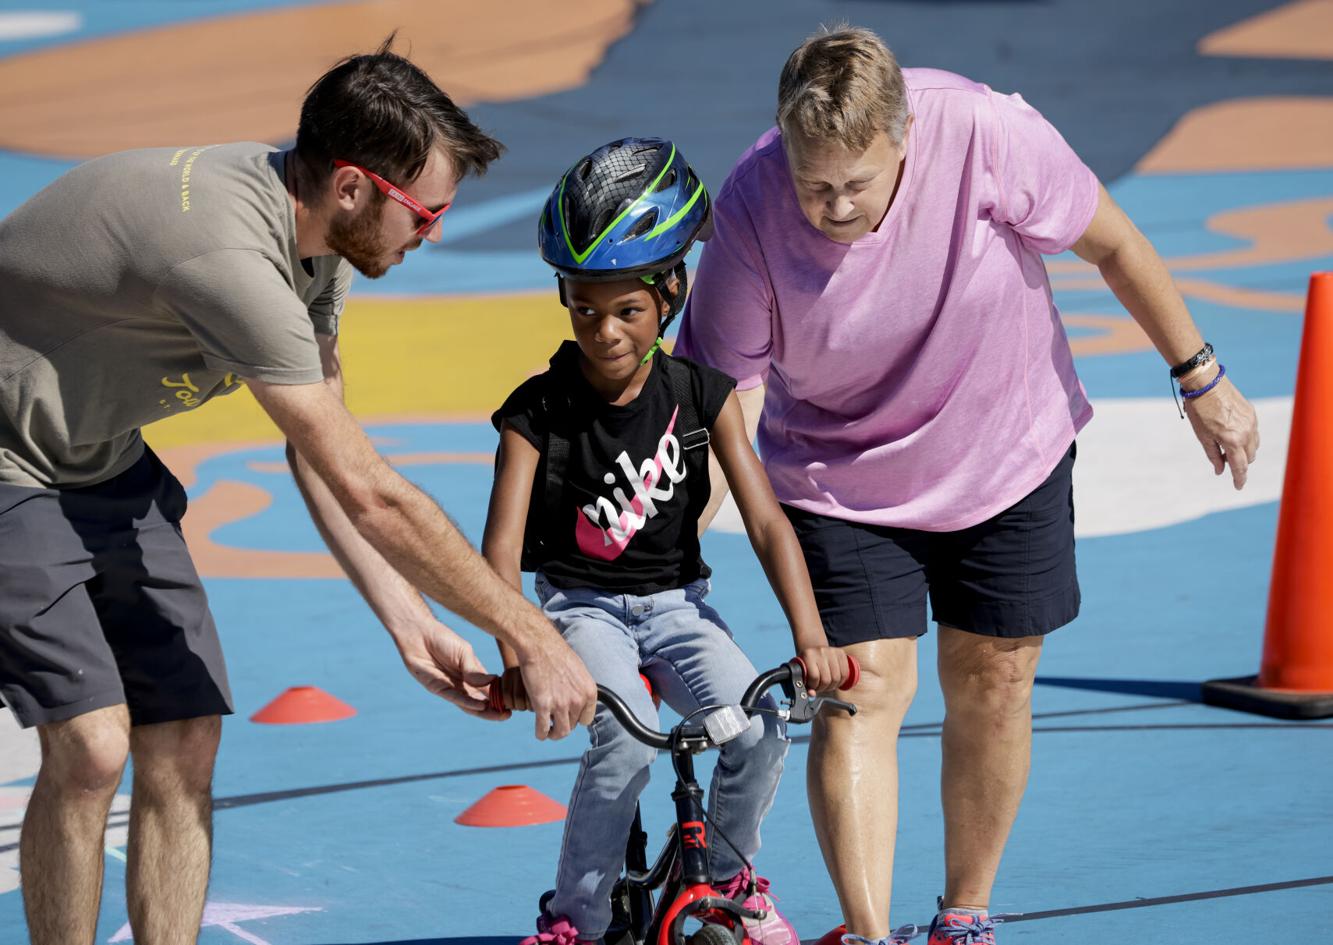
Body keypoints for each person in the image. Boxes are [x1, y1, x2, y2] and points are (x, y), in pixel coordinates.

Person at [0, 41, 597, 945]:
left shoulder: (317, 247)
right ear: (352, 187)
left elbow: (323, 453)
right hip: (7, 461)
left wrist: (409, 622)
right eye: (423, 216)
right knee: (92, 747)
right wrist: (528, 630)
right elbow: (373, 491)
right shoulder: (230, 256)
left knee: (186, 732)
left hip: (95, 456)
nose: (429, 235)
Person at [675, 25, 1261, 945]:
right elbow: (724, 412)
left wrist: (1200, 377)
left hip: (1006, 445)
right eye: (811, 182)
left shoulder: (986, 131)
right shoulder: (751, 211)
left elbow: (1112, 243)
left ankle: (964, 917)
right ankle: (867, 935)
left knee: (995, 678)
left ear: (903, 136)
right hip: (842, 475)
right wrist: (665, 563)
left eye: (853, 185)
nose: (829, 207)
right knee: (861, 687)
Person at [483, 137, 852, 945]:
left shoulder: (700, 395)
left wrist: (812, 640)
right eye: (583, 307)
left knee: (755, 726)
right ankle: (573, 919)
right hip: (581, 610)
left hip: (678, 609)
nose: (604, 330)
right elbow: (500, 554)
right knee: (620, 739)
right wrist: (522, 656)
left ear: (670, 295)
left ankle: (727, 884)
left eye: (627, 310)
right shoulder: (534, 413)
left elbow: (764, 521)